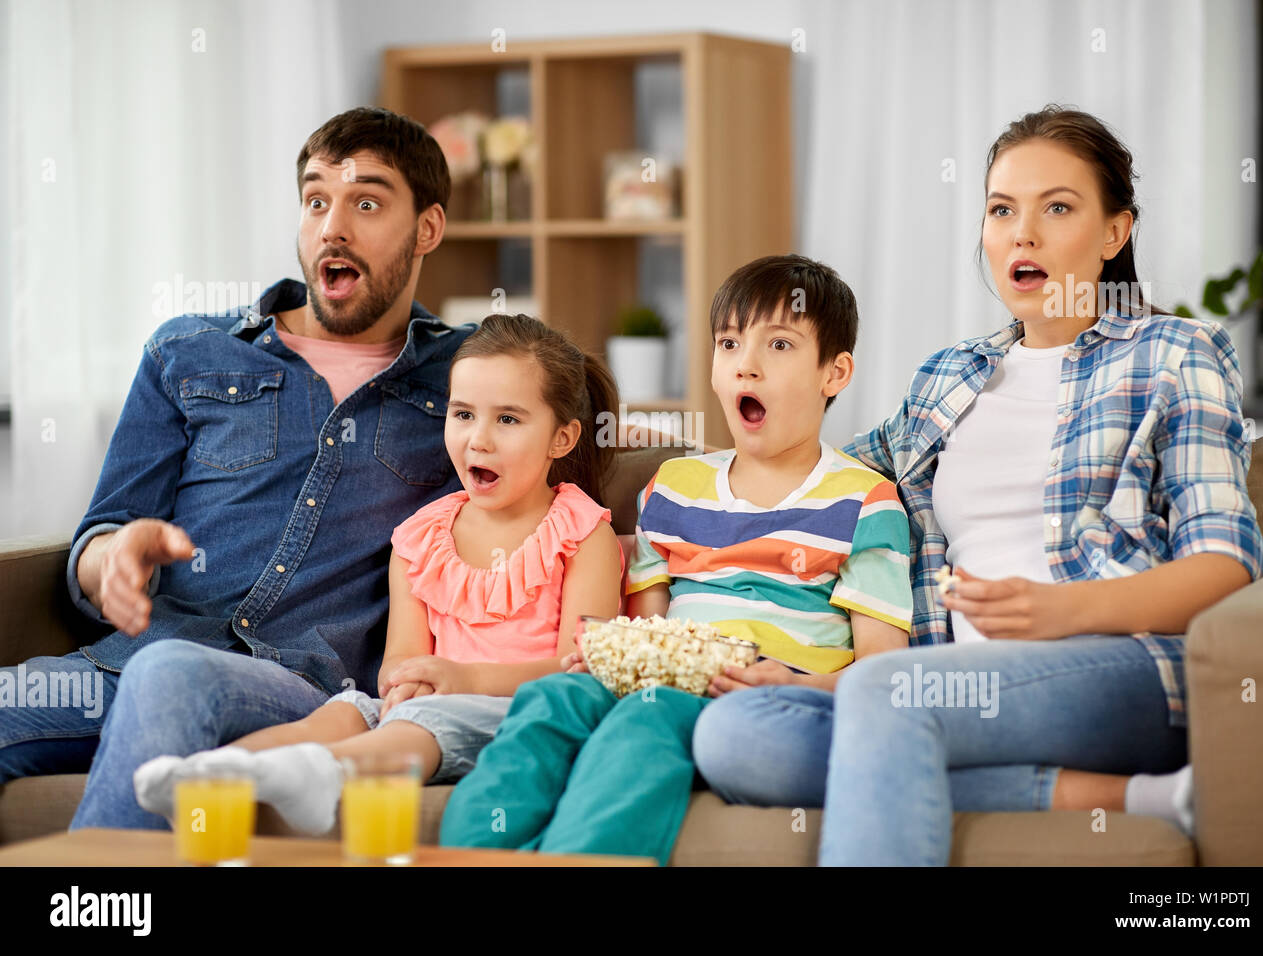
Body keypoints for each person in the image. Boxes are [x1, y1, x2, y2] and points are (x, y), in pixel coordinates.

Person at [693, 105, 1263, 865]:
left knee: (886, 695)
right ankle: (1121, 796)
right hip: (949, 683)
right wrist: (674, 479)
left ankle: (895, 716)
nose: (1021, 233)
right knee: (738, 737)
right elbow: (822, 473)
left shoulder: (1175, 353)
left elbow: (1228, 563)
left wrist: (1062, 609)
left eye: (1056, 207)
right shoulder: (951, 376)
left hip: (1117, 664)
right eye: (1002, 210)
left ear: (1114, 233)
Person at [0, 106, 480, 830]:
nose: (332, 227)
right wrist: (112, 561)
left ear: (428, 230)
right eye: (316, 200)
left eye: (367, 202)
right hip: (128, 665)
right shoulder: (189, 350)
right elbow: (102, 532)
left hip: (308, 695)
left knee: (173, 675)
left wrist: (615, 427)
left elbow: (562, 410)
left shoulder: (470, 376)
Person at [438, 254, 915, 865]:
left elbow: (882, 670)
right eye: (729, 343)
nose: (747, 363)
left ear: (835, 371)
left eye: (779, 344)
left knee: (648, 716)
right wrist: (606, 652)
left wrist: (799, 684)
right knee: (552, 701)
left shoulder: (865, 500)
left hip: (768, 700)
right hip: (664, 679)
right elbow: (644, 627)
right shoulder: (673, 488)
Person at [131, 315, 624, 833]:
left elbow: (585, 671)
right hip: (433, 704)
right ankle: (212, 774)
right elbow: (400, 662)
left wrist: (467, 679)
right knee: (345, 711)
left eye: (508, 420)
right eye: (462, 414)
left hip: (527, 715)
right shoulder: (420, 538)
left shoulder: (582, 531)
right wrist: (408, 682)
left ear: (562, 438)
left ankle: (321, 776)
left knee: (423, 722)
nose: (478, 440)